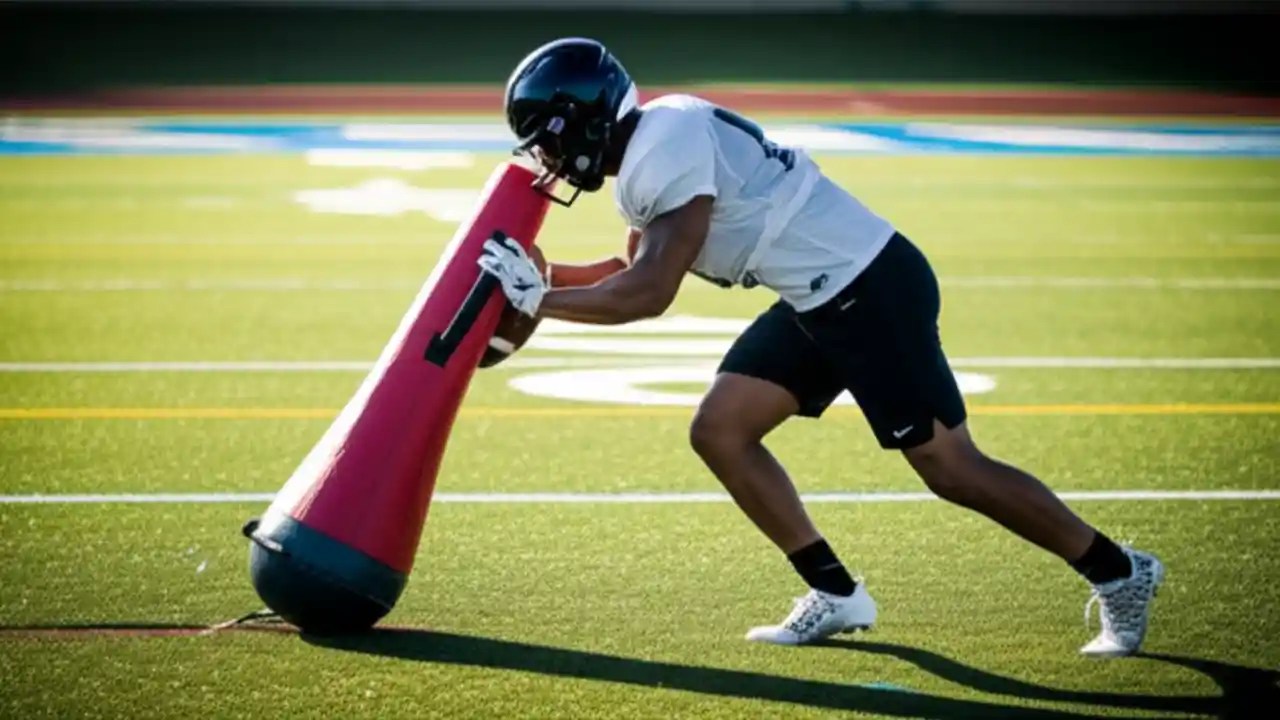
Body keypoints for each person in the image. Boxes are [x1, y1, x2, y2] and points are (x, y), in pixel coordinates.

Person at [477, 37, 1163, 657]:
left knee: (950, 467)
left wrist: (538, 299)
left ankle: (1120, 572)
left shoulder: (664, 145)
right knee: (722, 428)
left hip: (870, 287)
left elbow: (649, 294)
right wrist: (537, 279)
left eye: (548, 138)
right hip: (820, 294)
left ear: (584, 118)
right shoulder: (655, 146)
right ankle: (836, 594)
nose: (547, 158)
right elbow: (630, 272)